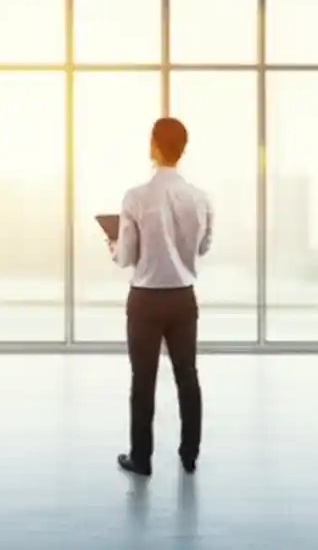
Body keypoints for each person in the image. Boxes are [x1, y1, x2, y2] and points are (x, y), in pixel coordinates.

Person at [109, 117, 213, 477]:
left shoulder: (135, 197)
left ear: (153, 145)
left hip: (146, 299)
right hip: (183, 297)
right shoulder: (200, 198)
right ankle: (189, 454)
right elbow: (203, 246)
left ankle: (142, 459)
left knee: (143, 380)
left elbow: (126, 256)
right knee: (188, 375)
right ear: (182, 149)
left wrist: (113, 245)